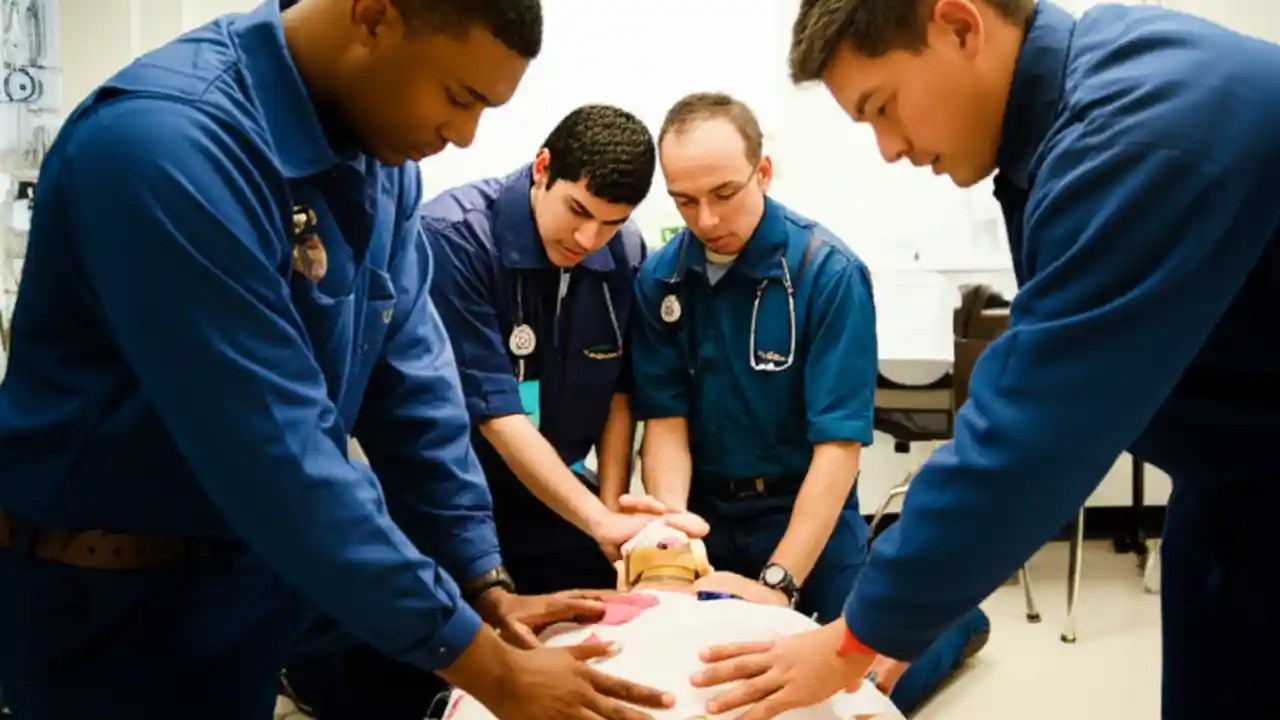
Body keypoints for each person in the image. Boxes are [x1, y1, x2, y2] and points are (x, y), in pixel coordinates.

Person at [0, 1, 680, 718]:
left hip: (249, 588)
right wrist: (491, 672)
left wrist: (485, 585)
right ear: (372, 16)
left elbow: (416, 391)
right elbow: (278, 455)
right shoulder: (167, 147)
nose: (464, 135)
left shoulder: (378, 162)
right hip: (111, 610)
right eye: (460, 97)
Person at [688, 2, 1280, 719]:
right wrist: (905, 609)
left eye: (884, 108)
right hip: (1236, 481)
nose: (888, 148)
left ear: (960, 25)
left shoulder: (1140, 132)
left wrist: (856, 637)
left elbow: (1032, 433)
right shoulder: (1077, 105)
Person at [284, 104, 707, 720]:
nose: (587, 241)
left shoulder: (623, 253)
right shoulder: (453, 236)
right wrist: (595, 519)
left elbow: (620, 394)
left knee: (596, 618)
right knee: (404, 661)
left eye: (610, 224)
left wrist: (614, 513)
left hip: (556, 493)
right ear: (542, 170)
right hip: (443, 493)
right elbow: (497, 415)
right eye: (578, 212)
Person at [630, 92, 989, 717]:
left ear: (762, 172)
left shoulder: (828, 273)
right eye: (685, 200)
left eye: (723, 193)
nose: (707, 219)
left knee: (861, 674)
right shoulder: (660, 278)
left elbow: (839, 449)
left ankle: (956, 622)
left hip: (804, 514)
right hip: (710, 512)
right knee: (685, 672)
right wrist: (673, 537)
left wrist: (778, 584)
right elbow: (665, 424)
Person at [439, 517, 907, 720]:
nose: (665, 534)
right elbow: (485, 687)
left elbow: (854, 688)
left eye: (681, 537)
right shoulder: (561, 621)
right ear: (621, 573)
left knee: (905, 641)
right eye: (648, 537)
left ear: (708, 567)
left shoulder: (782, 627)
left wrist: (775, 606)